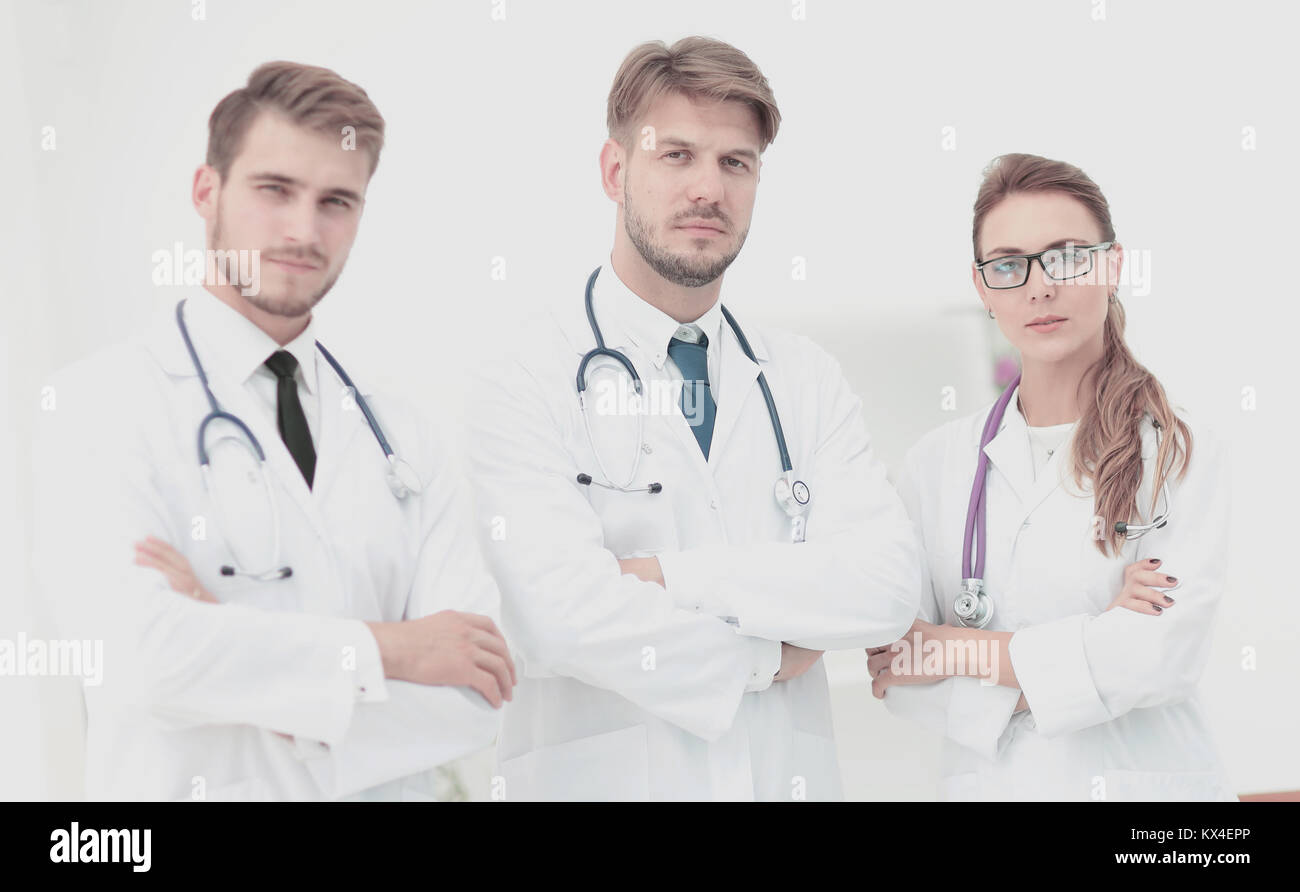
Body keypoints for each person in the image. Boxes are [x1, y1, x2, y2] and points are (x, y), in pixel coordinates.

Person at [31, 61, 514, 801]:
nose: (303, 229)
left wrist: (239, 660)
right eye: (274, 190)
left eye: (336, 201)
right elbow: (142, 652)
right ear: (207, 192)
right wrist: (391, 649)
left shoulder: (402, 436)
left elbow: (479, 693)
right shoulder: (99, 404)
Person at [467, 37, 921, 801]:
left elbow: (886, 585)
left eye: (734, 162)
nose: (708, 188)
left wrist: (668, 576)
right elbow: (558, 615)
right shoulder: (526, 372)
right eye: (676, 155)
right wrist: (767, 655)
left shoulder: (803, 379)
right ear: (616, 172)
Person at [871, 153, 1235, 801]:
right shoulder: (936, 464)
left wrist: (959, 651)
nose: (1039, 287)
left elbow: (1160, 659)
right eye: (1008, 264)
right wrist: (1089, 651)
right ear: (984, 288)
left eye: (1067, 256)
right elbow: (894, 670)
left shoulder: (1178, 449)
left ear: (1114, 266)